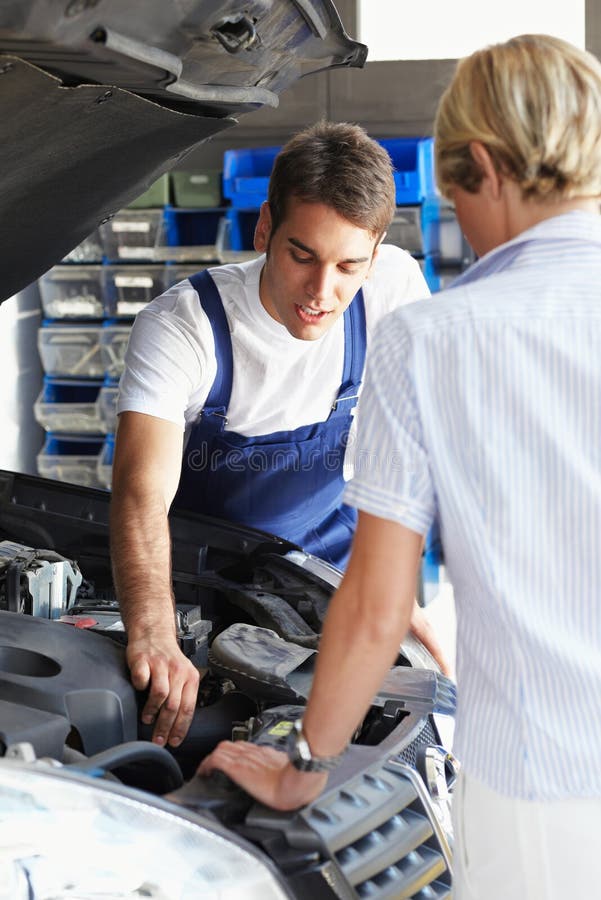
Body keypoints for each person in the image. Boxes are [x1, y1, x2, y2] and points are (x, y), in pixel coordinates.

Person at [199, 35, 601, 900]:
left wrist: (303, 766)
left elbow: (376, 605)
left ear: (480, 166)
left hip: (549, 782)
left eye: (454, 195)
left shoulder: (434, 337)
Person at [109, 121, 440, 750]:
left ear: (375, 254)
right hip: (208, 586)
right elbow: (139, 493)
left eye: (349, 266)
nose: (322, 292)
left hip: (332, 572)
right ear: (265, 228)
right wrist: (153, 633)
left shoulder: (392, 288)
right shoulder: (184, 327)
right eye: (302, 255)